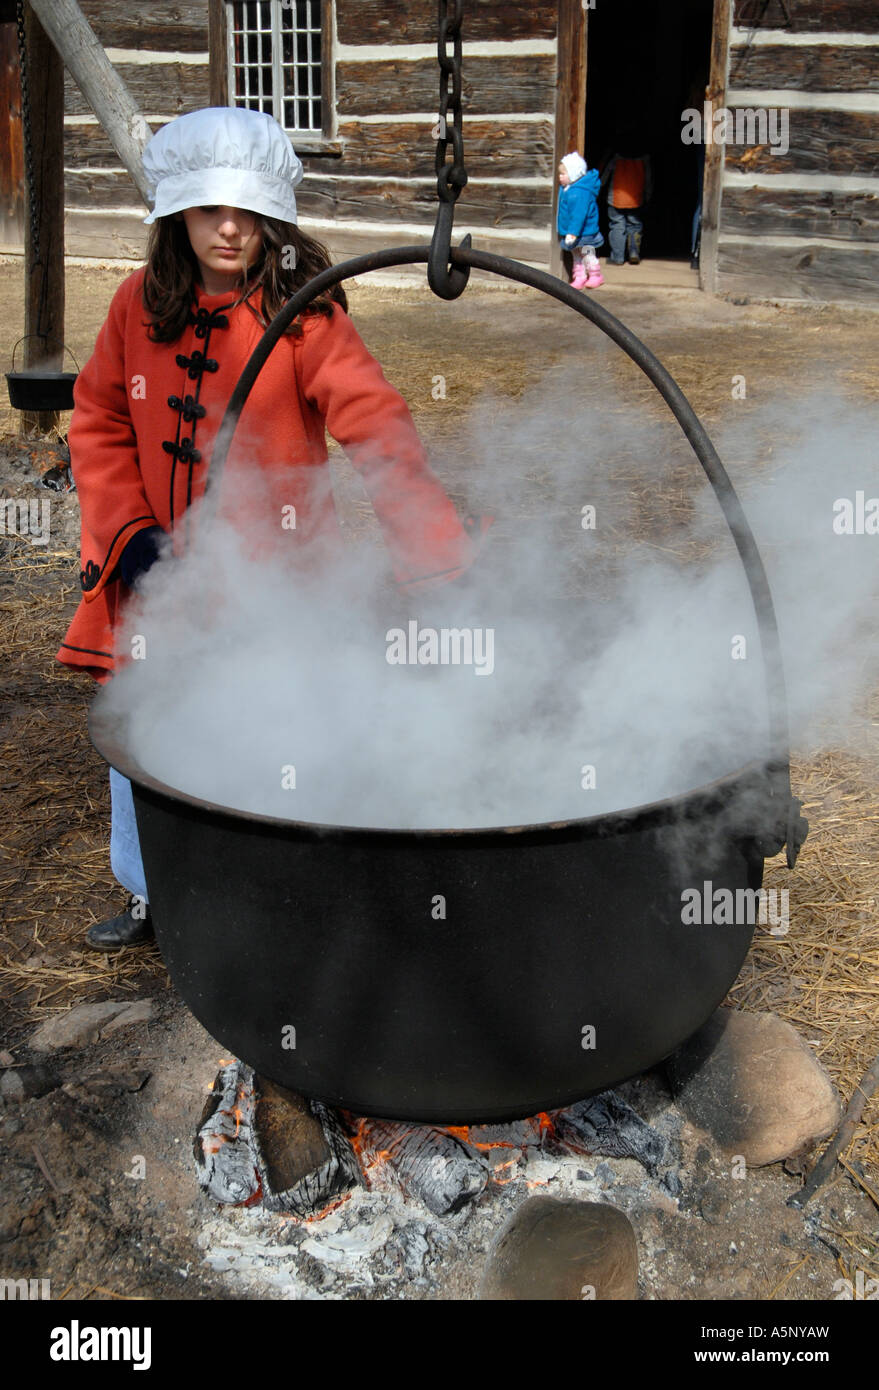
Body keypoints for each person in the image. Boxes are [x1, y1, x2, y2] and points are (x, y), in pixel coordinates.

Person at [58, 106, 487, 951]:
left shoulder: (306, 316)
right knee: (142, 737)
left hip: (277, 587)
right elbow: (98, 418)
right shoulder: (135, 306)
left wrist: (436, 565)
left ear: (275, 215)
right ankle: (153, 897)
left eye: (247, 209)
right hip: (152, 581)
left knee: (268, 735)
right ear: (174, 211)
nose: (228, 227)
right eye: (208, 207)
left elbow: (380, 432)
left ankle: (269, 907)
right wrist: (129, 532)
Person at [556, 152, 604, 290]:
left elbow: (579, 215)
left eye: (563, 174)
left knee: (588, 254)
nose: (560, 177)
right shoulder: (568, 189)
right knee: (576, 256)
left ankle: (595, 275)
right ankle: (579, 277)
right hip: (572, 232)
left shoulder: (580, 192)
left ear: (574, 174)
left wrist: (573, 232)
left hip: (584, 231)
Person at [603, 135, 652, 266]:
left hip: (616, 197)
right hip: (636, 198)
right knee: (634, 225)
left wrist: (599, 187)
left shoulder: (616, 157)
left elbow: (606, 174)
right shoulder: (644, 158)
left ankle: (617, 257)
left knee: (617, 225)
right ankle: (634, 253)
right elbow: (648, 179)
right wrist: (647, 195)